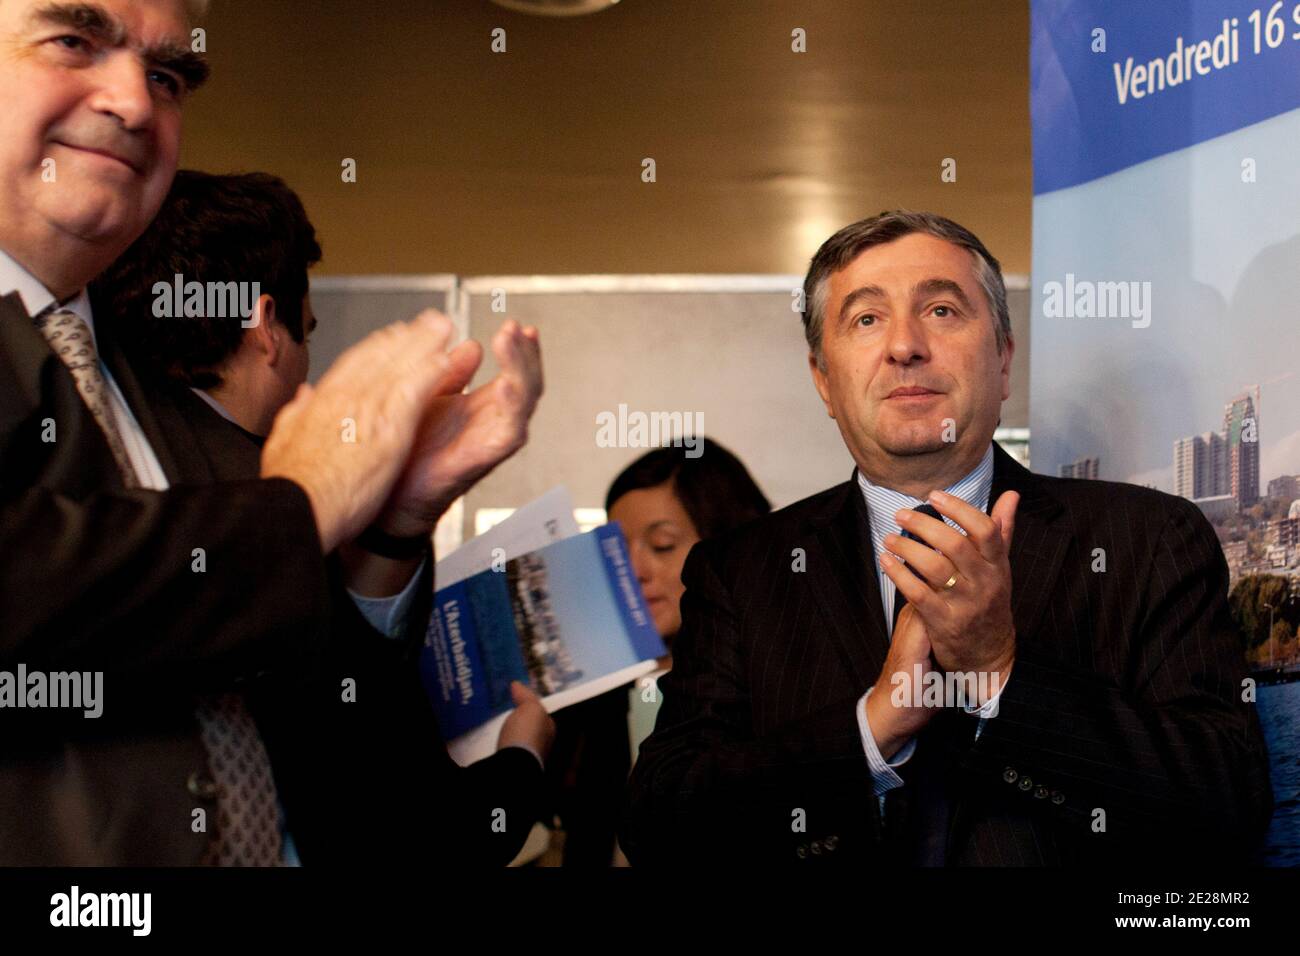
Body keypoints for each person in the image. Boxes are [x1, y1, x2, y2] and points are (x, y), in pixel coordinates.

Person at [0, 0, 543, 865]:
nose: (135, 104)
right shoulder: (268, 490)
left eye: (167, 76)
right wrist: (307, 501)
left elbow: (334, 742)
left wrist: (391, 525)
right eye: (73, 41)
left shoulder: (164, 412)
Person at [622, 210, 1274, 866]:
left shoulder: (1149, 540)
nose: (905, 346)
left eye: (940, 310)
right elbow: (659, 827)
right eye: (866, 319)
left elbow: (1228, 809)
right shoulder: (740, 572)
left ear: (1003, 360)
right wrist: (873, 727)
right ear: (823, 380)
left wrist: (999, 670)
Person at [89, 169, 555, 865]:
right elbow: (398, 820)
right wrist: (523, 763)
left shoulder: (94, 474)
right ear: (266, 329)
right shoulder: (269, 502)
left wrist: (396, 527)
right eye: (305, 332)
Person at [543, 439, 769, 866]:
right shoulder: (589, 699)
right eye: (615, 549)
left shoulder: (780, 689)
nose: (633, 570)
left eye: (662, 545)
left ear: (731, 547)